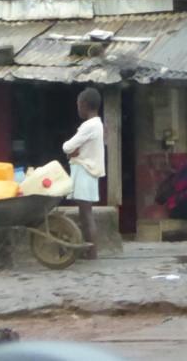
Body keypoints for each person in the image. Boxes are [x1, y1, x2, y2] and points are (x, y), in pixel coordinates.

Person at [62, 87, 105, 260]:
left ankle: (92, 251)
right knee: (84, 213)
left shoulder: (89, 126)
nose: (78, 109)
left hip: (84, 172)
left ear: (85, 105)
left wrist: (71, 150)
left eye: (78, 105)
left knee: (86, 214)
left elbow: (67, 146)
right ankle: (88, 249)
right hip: (87, 171)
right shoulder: (98, 125)